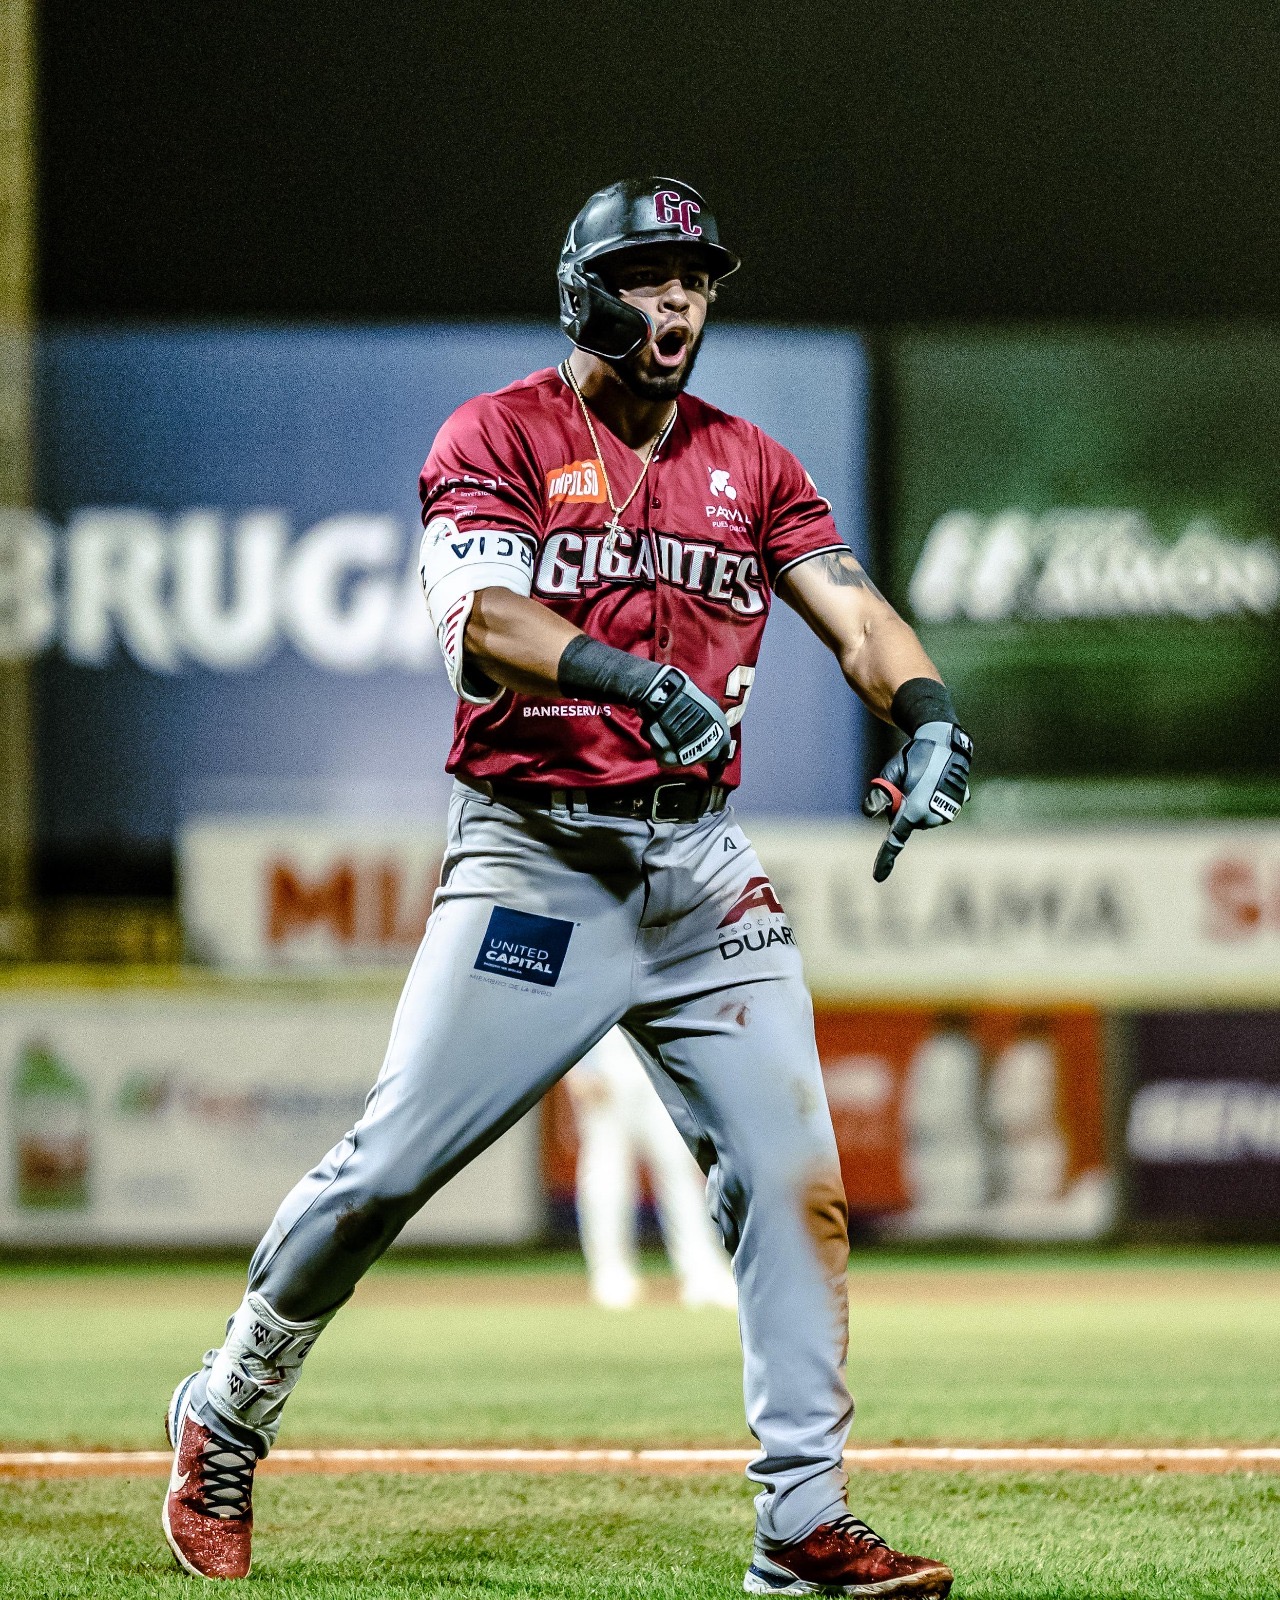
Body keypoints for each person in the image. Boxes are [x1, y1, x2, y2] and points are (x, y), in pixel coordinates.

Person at [162, 176, 972, 1594]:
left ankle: (801, 1526)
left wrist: (928, 712)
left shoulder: (753, 461)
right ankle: (227, 1406)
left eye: (697, 278)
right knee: (391, 1168)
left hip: (702, 872)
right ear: (588, 287)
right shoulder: (500, 432)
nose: (679, 302)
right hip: (537, 860)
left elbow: (850, 608)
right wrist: (623, 673)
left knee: (796, 1188)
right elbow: (477, 619)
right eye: (652, 275)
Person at [567, 1025, 739, 1310]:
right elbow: (570, 1001)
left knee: (681, 1167)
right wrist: (578, 1067)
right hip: (606, 1054)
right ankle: (610, 1273)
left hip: (659, 1056)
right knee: (606, 1173)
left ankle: (702, 1271)